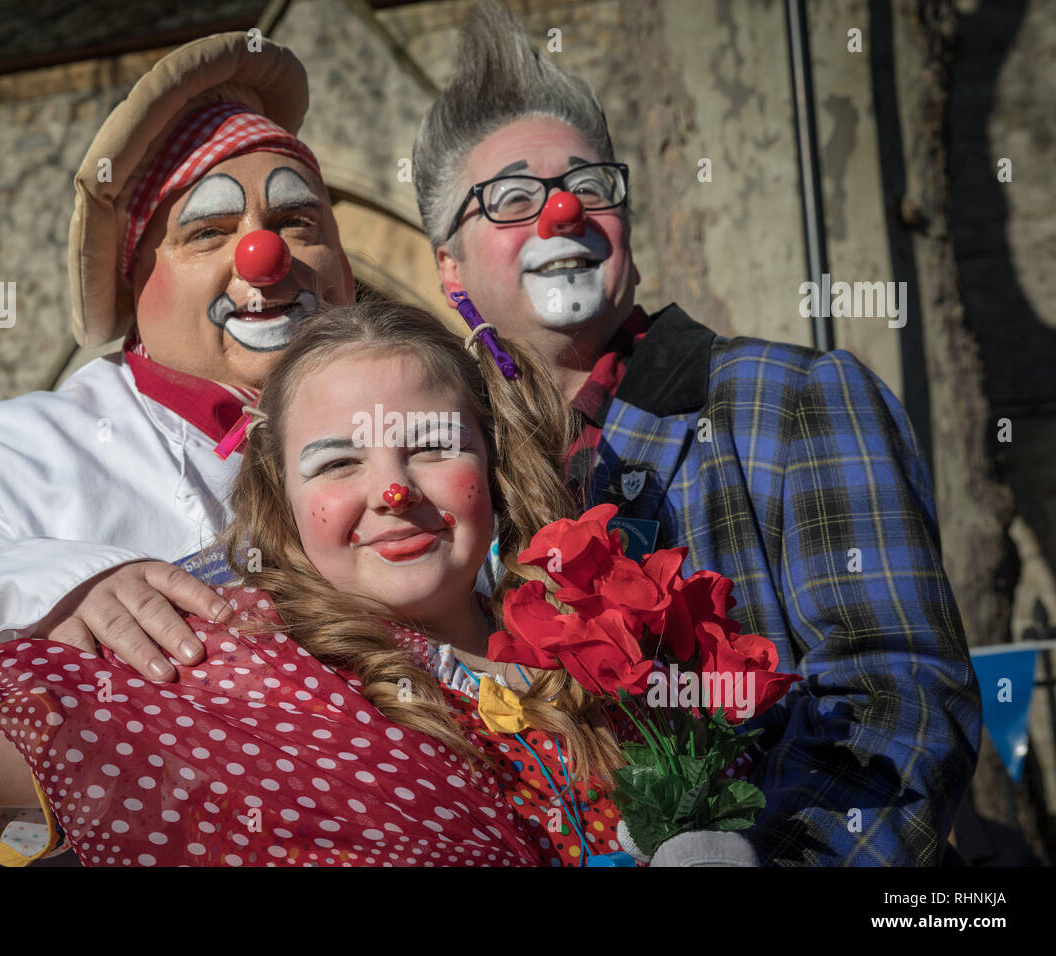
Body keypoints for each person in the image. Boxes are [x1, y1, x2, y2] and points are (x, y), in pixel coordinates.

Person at [0, 301, 698, 867]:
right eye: (336, 463)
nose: (391, 487)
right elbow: (38, 711)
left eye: (430, 445)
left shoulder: (600, 660)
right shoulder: (246, 667)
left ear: (491, 466)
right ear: (280, 508)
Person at [409, 0, 981, 865]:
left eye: (589, 186)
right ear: (448, 264)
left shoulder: (793, 397)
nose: (562, 212)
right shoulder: (440, 463)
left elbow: (895, 689)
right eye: (513, 199)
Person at [0, 32, 357, 865]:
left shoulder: (413, 447)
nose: (262, 256)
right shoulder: (3, 449)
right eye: (208, 232)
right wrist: (51, 590)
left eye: (298, 221)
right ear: (134, 282)